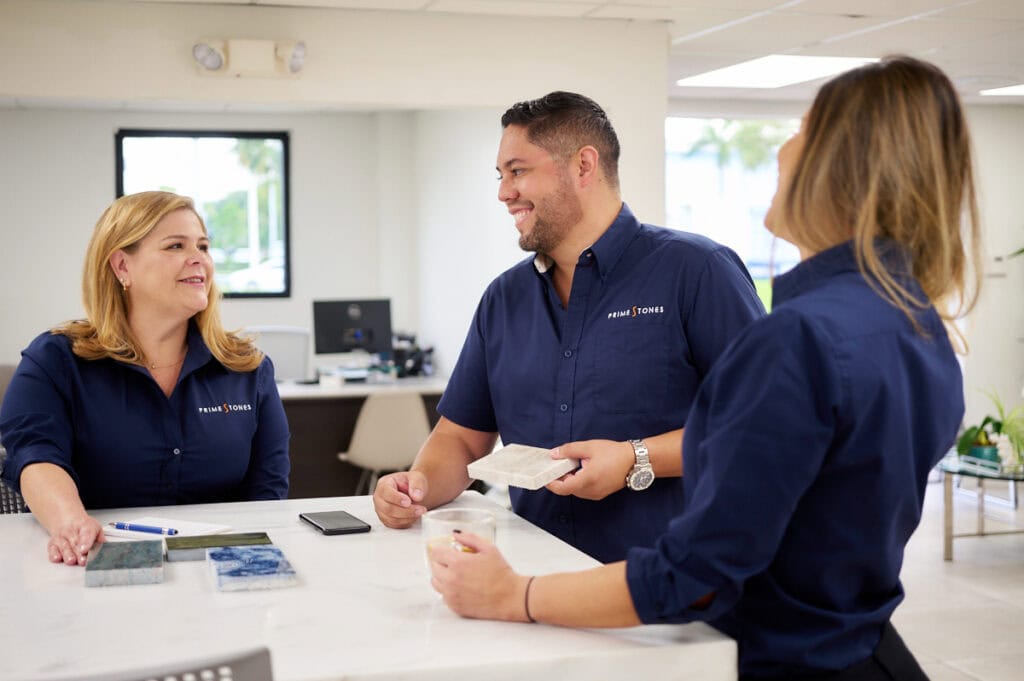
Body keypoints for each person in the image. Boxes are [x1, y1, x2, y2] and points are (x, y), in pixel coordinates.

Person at [426, 56, 980, 681]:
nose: (781, 149)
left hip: (764, 655)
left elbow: (693, 574)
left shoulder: (795, 336)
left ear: (840, 165)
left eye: (801, 128)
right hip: (857, 649)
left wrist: (513, 596)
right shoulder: (917, 324)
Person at [374, 91, 765, 563]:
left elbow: (763, 425)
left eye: (518, 171)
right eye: (500, 176)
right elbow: (460, 438)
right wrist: (415, 488)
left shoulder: (698, 271)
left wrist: (634, 460)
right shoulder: (504, 299)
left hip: (668, 590)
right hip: (533, 579)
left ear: (583, 166)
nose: (503, 192)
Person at [0, 191, 290, 566]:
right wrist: (70, 522)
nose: (198, 258)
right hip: (98, 562)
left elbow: (267, 492)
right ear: (122, 266)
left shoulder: (248, 368)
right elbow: (35, 456)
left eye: (203, 246)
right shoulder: (54, 360)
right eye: (175, 246)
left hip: (221, 567)